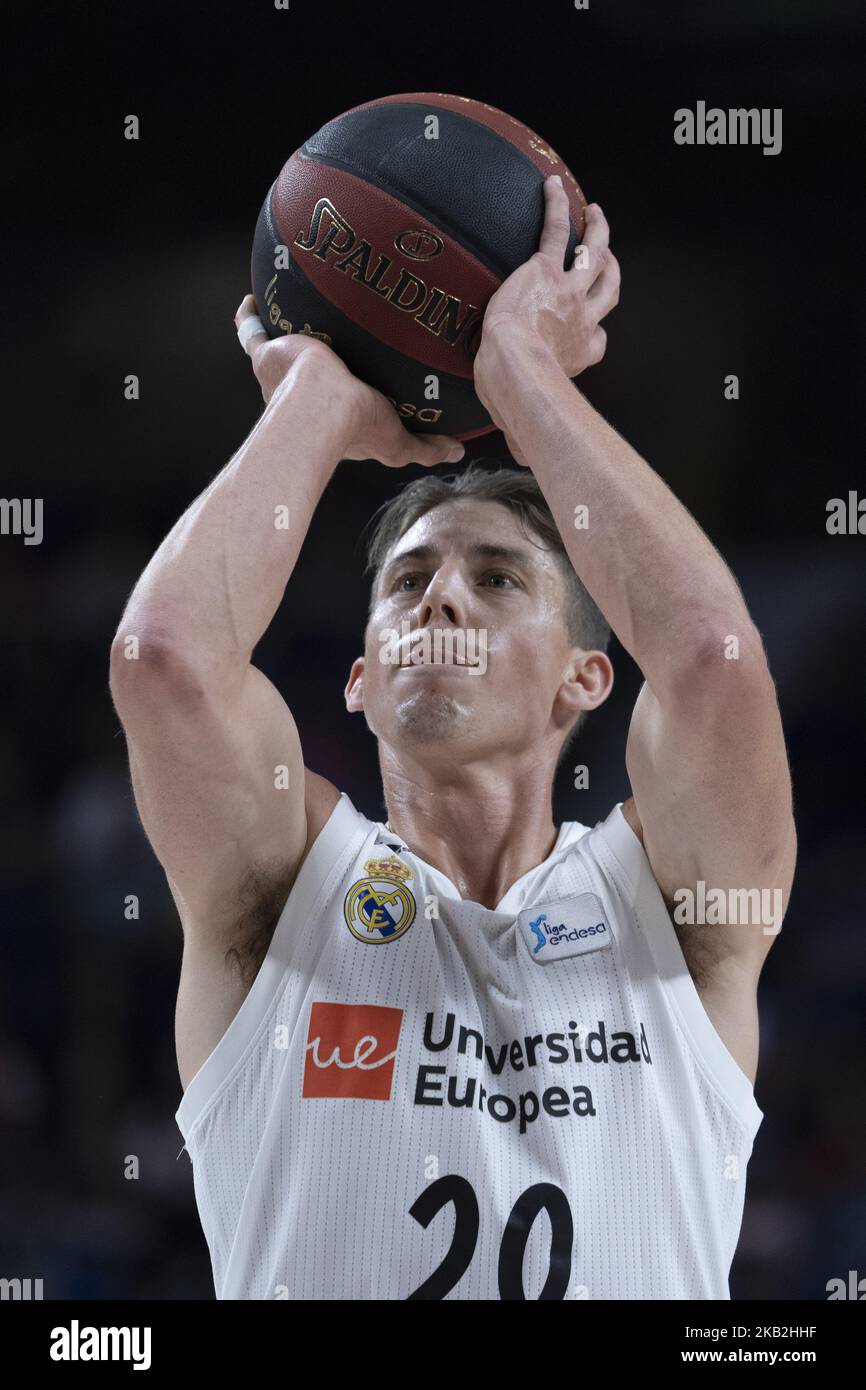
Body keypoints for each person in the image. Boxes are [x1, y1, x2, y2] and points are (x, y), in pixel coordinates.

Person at [109, 175, 796, 1299]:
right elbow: (163, 663)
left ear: (586, 675)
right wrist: (315, 406)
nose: (440, 602)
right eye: (408, 582)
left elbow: (714, 665)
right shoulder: (283, 889)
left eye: (496, 577)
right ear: (360, 678)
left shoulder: (675, 905)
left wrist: (523, 382)